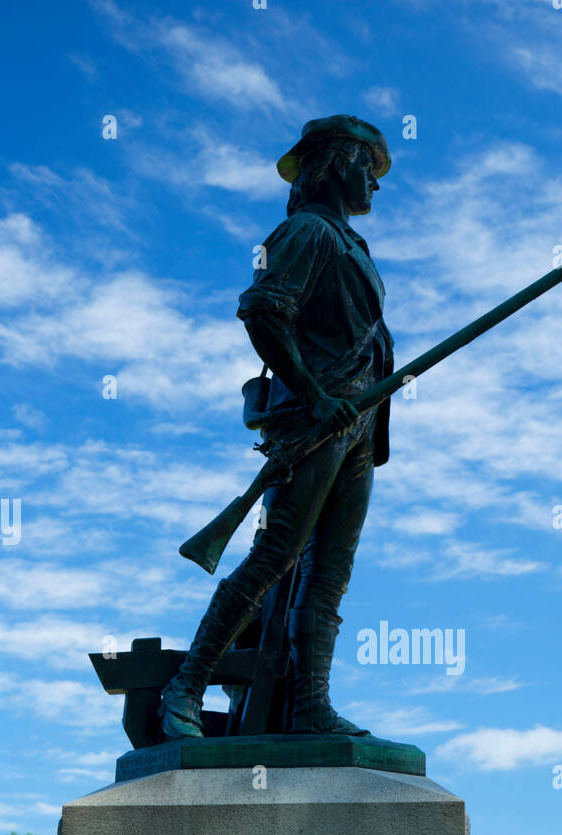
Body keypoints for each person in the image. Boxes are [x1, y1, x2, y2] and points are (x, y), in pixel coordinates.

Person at [159, 115, 393, 741]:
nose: (375, 181)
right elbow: (262, 310)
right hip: (316, 421)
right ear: (335, 164)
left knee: (329, 574)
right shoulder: (307, 232)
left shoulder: (352, 246)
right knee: (274, 557)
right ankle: (185, 688)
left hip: (358, 426)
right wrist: (316, 396)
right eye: (365, 165)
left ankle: (312, 705)